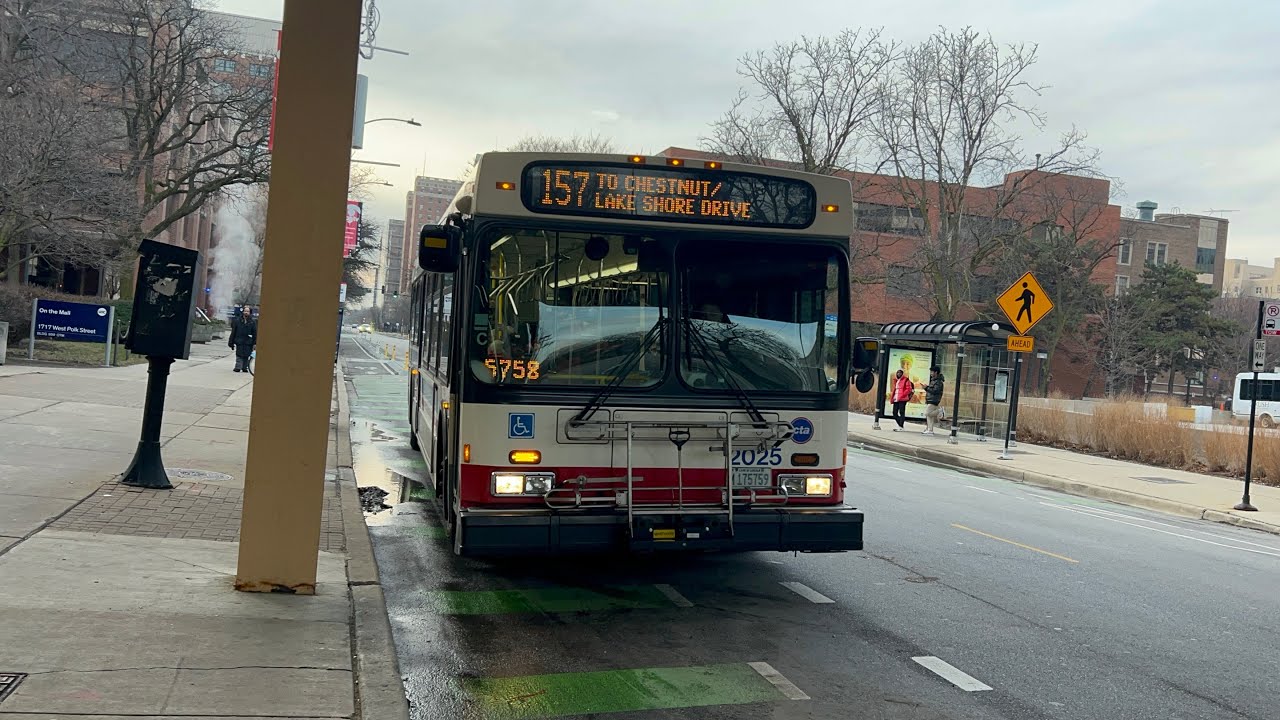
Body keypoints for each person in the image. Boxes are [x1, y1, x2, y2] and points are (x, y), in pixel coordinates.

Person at [229, 307, 257, 373]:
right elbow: (233, 332)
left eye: (248, 311)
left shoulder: (252, 322)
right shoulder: (238, 320)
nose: (246, 312)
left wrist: (254, 343)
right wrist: (231, 342)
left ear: (250, 313)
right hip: (239, 340)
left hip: (248, 341)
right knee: (239, 354)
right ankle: (238, 367)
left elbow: (255, 333)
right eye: (245, 311)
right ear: (243, 312)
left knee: (246, 355)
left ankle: (244, 367)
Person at [923, 365, 944, 436]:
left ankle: (940, 411)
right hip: (931, 399)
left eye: (932, 372)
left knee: (927, 413)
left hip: (934, 400)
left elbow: (935, 391)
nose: (931, 373)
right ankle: (930, 430)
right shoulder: (933, 380)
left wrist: (926, 388)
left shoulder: (938, 382)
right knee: (930, 416)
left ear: (936, 372)